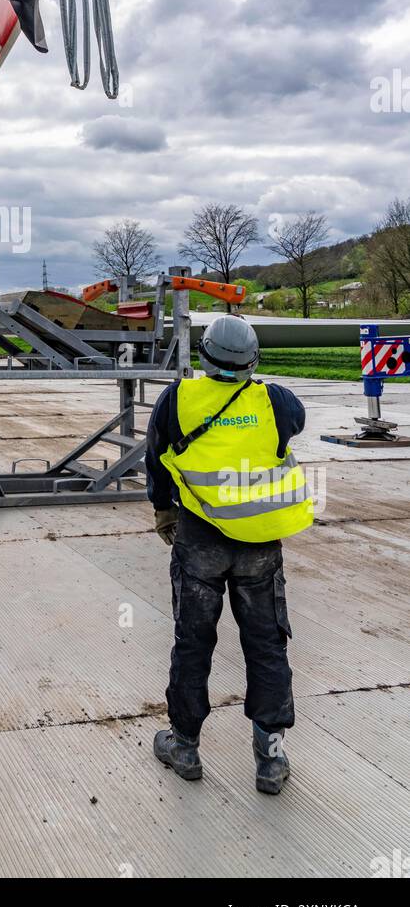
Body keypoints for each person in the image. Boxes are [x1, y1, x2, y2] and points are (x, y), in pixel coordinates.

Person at [146, 315, 314, 795]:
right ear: (253, 361)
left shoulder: (179, 399)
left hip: (200, 539)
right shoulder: (276, 400)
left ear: (204, 356)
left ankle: (184, 747)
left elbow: (155, 457)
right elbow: (294, 426)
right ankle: (270, 761)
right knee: (266, 645)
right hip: (260, 541)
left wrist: (163, 510)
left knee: (193, 643)